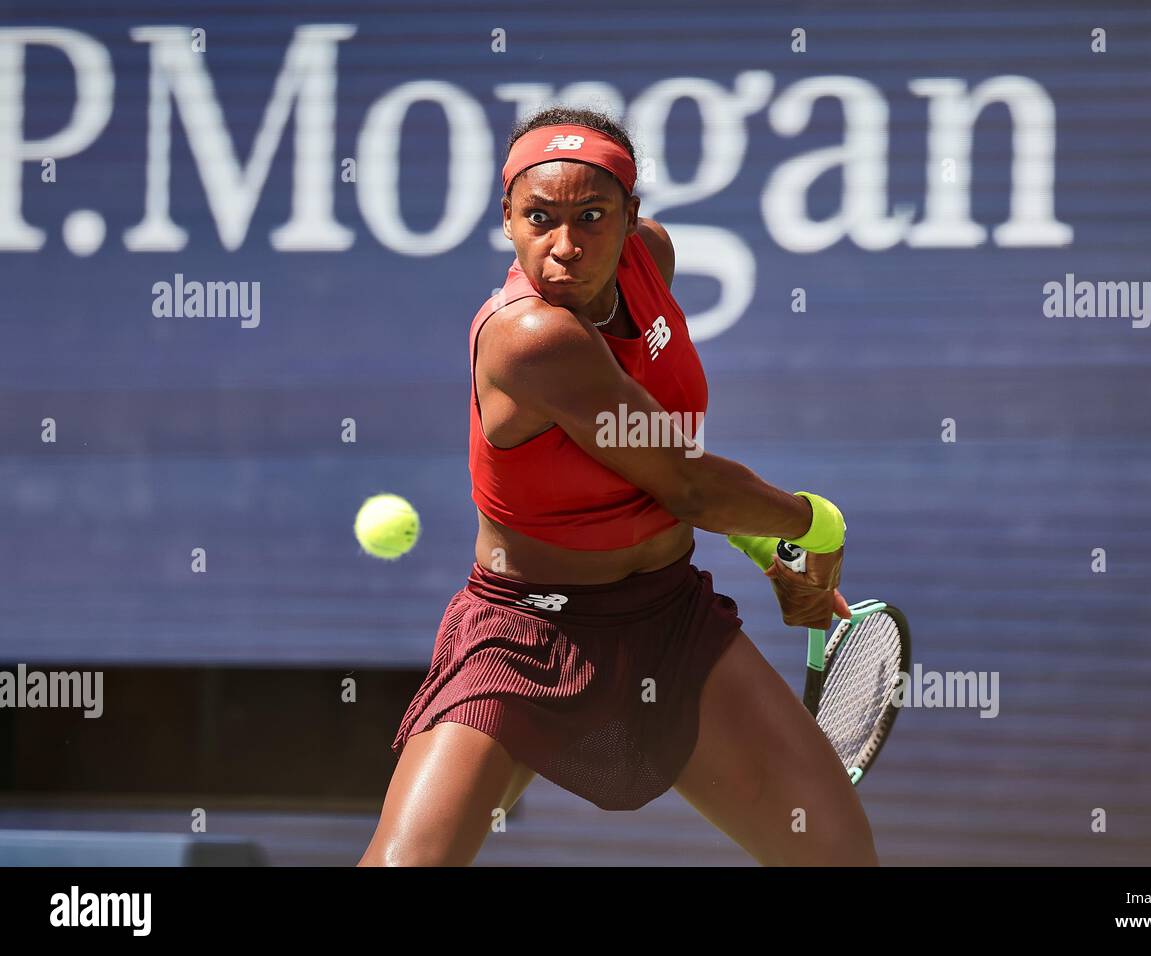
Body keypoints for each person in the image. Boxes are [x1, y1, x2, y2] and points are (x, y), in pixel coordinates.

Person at [358, 106, 877, 866]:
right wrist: (814, 524)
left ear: (634, 217)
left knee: (835, 856)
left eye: (593, 217)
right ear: (506, 218)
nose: (563, 247)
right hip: (526, 633)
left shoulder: (650, 261)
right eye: (538, 218)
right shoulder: (531, 340)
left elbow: (659, 448)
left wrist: (758, 535)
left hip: (669, 621)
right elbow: (688, 483)